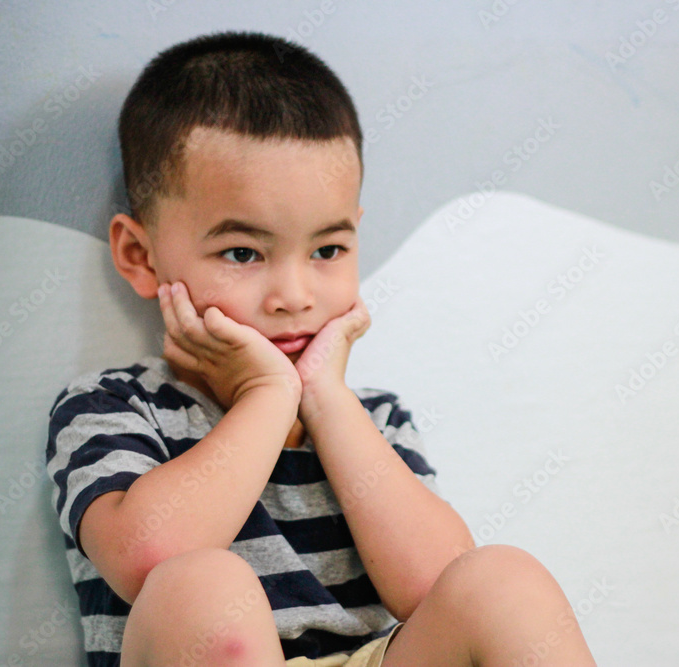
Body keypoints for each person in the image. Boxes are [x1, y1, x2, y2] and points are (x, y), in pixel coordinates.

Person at [46, 30, 596, 667]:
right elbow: (148, 561)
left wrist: (327, 401)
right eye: (243, 253)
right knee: (203, 587)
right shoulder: (114, 406)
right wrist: (266, 396)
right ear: (140, 256)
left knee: (503, 579)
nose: (295, 295)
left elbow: (435, 582)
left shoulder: (373, 420)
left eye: (328, 251)